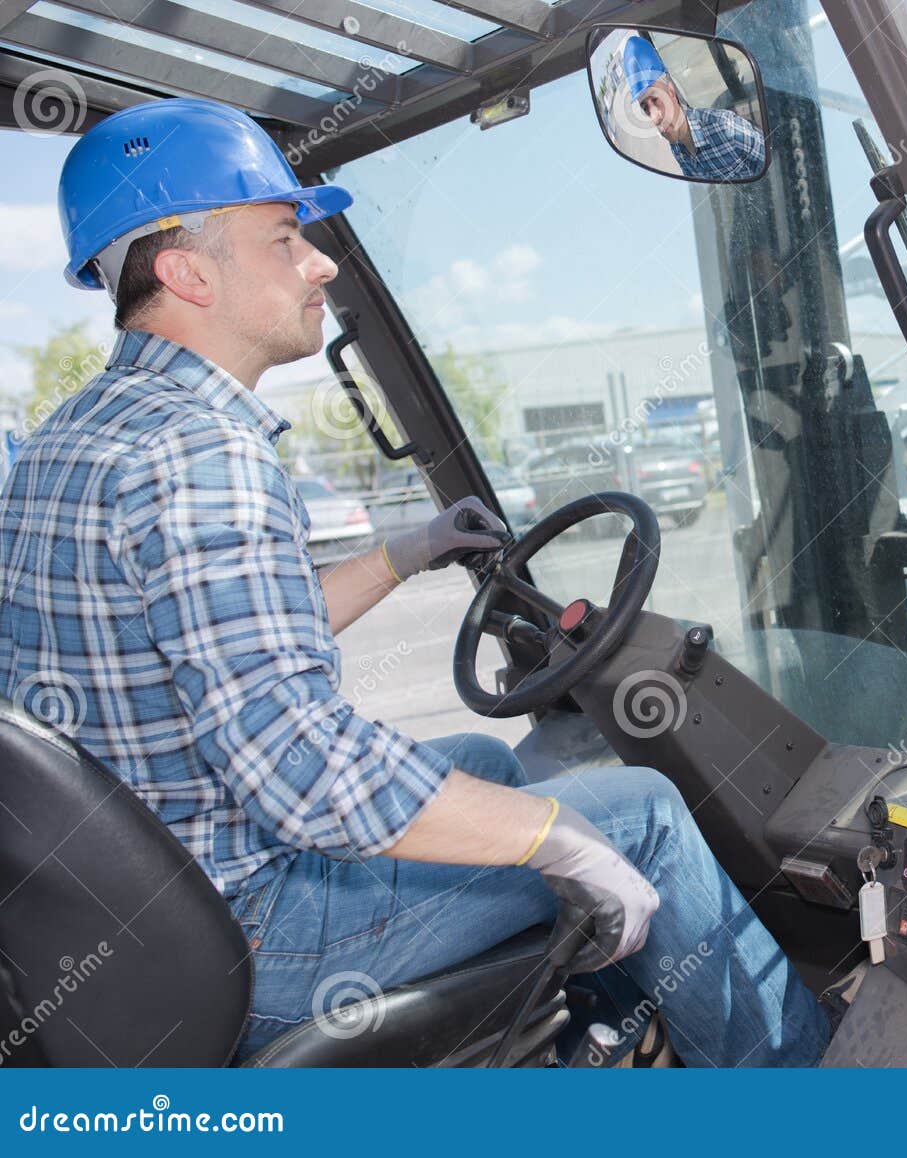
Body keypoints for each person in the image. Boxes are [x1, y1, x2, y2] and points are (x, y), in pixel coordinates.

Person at [0, 97, 829, 1065]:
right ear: (188, 272)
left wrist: (412, 549)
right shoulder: (202, 454)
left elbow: (219, 645)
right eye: (284, 239)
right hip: (252, 934)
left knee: (482, 767)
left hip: (135, 929)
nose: (323, 263)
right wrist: (561, 840)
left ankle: (610, 1030)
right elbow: (301, 767)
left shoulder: (74, 436)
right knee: (636, 812)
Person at [621, 36, 767, 181]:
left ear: (671, 91)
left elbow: (775, 165)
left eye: (656, 100)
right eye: (645, 108)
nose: (654, 117)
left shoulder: (725, 126)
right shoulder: (678, 149)